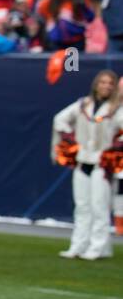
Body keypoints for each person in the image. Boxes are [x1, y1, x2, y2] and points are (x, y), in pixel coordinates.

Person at [52, 70, 123, 260]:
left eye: (110, 83)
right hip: (82, 159)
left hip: (103, 163)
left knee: (99, 206)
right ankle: (78, 244)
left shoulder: (116, 108)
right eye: (103, 82)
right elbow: (60, 119)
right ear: (96, 84)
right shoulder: (84, 104)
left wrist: (115, 147)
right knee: (82, 206)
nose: (106, 86)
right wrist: (70, 138)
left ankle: (98, 247)